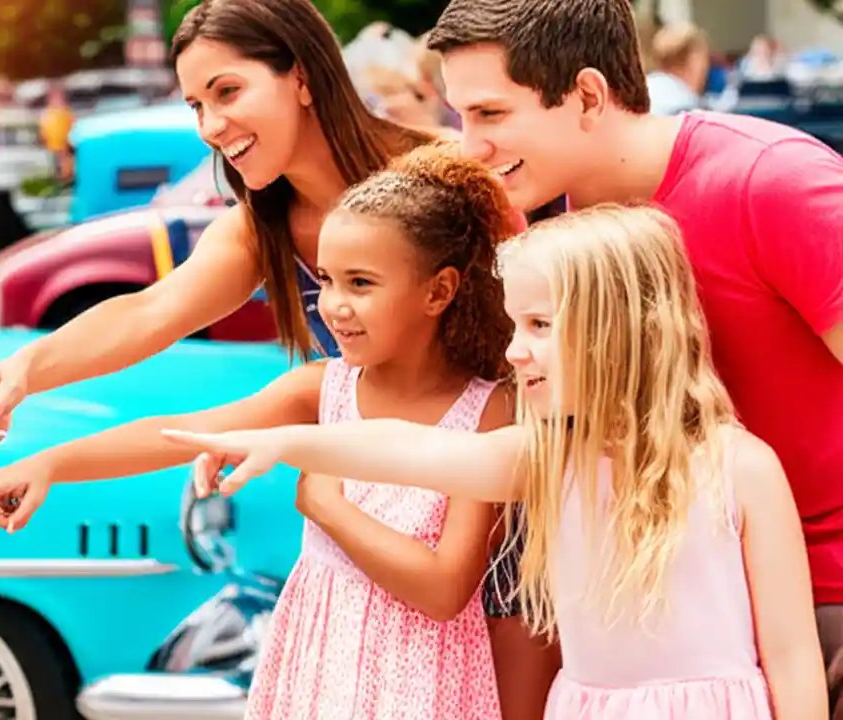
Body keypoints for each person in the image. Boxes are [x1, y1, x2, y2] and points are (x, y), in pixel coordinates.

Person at [0, 2, 561, 715]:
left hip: (502, 507)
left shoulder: (451, 187)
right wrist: (23, 375)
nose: (211, 127)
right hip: (372, 534)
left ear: (303, 77)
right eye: (195, 105)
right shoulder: (263, 227)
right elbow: (151, 311)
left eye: (227, 91)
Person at [165, 204, 829, 720]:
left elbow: (794, 656)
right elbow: (414, 450)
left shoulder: (740, 468)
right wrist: (289, 444)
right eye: (516, 327)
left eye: (540, 326)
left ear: (620, 330)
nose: (514, 351)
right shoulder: (545, 460)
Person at [0, 145, 517, 719]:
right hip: (315, 669)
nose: (335, 306)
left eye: (362, 283)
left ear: (439, 291)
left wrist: (327, 506)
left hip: (422, 688)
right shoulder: (324, 388)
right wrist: (50, 464)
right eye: (328, 280)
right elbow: (182, 432)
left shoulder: (487, 411)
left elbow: (446, 591)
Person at [422, 0, 843, 710]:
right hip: (633, 628)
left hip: (819, 612)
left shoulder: (774, 184)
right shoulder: (537, 224)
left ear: (588, 94)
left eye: (490, 115)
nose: (470, 147)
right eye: (460, 115)